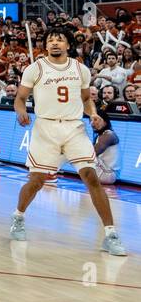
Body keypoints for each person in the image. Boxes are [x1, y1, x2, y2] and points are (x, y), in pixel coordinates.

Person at [9, 30, 124, 255]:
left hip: (73, 127)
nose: (54, 43)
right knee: (37, 180)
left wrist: (92, 114)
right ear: (45, 46)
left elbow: (86, 99)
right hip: (46, 128)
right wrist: (21, 112)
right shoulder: (35, 68)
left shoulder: (80, 69)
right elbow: (20, 98)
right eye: (50, 40)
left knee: (91, 176)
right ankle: (18, 216)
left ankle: (110, 234)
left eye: (59, 39)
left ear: (68, 45)